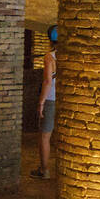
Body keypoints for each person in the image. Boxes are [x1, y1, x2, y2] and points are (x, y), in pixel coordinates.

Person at [33, 25, 58, 179]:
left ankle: (45, 170)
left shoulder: (50, 57)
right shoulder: (71, 55)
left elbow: (48, 81)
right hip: (65, 100)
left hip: (50, 99)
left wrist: (41, 102)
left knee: (45, 136)